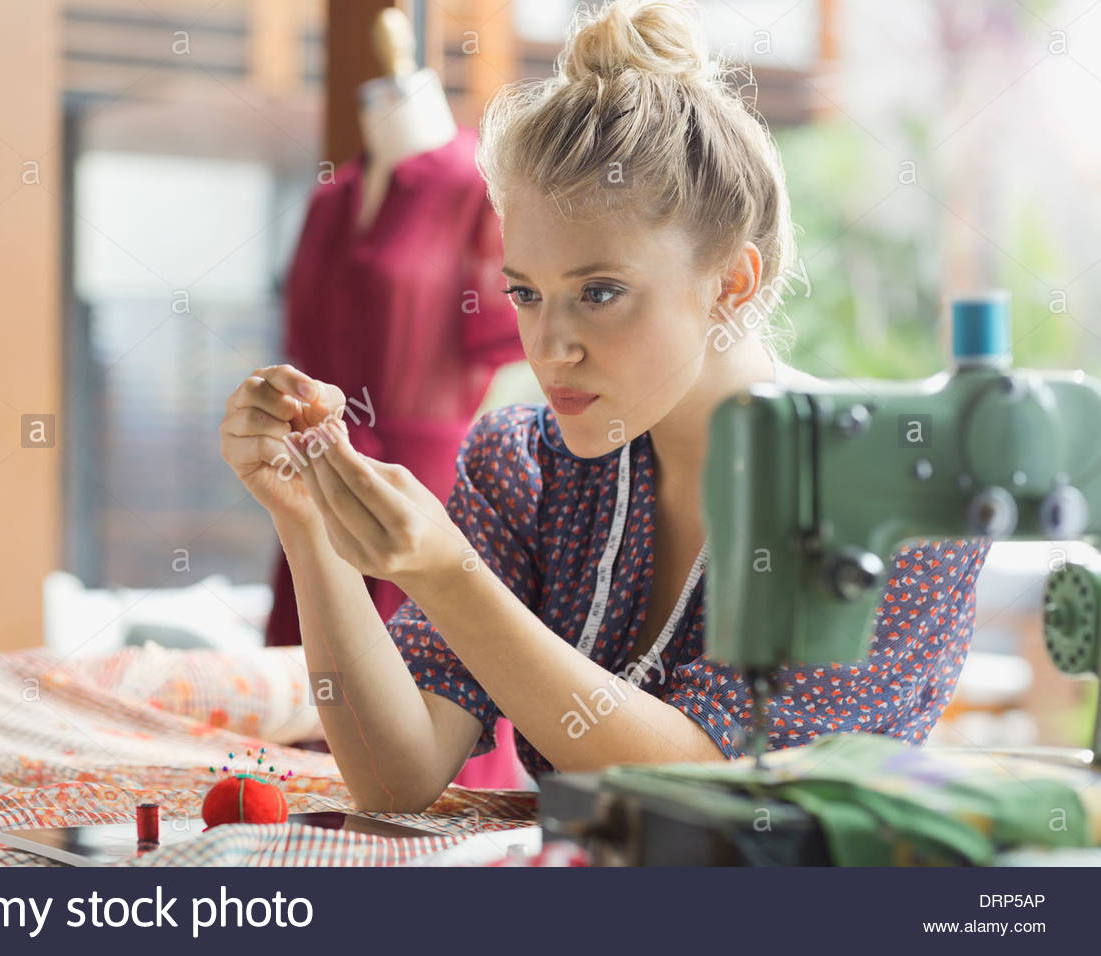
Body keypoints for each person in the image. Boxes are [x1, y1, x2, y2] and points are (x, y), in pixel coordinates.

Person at [218, 0, 990, 812]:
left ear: (732, 283)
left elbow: (715, 792)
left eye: (600, 292)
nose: (550, 347)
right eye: (526, 294)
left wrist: (451, 575)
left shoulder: (890, 502)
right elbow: (395, 776)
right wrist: (307, 527)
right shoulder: (525, 466)